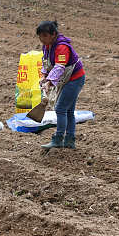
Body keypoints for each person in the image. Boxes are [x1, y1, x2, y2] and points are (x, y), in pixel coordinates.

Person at [35, 20, 86, 149]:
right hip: (67, 79)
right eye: (40, 36)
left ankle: (58, 139)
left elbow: (59, 67)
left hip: (74, 79)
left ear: (53, 34)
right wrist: (44, 76)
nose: (41, 39)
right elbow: (46, 62)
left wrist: (49, 82)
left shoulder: (61, 47)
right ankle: (69, 141)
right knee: (68, 111)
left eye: (44, 36)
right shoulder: (47, 46)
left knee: (60, 108)